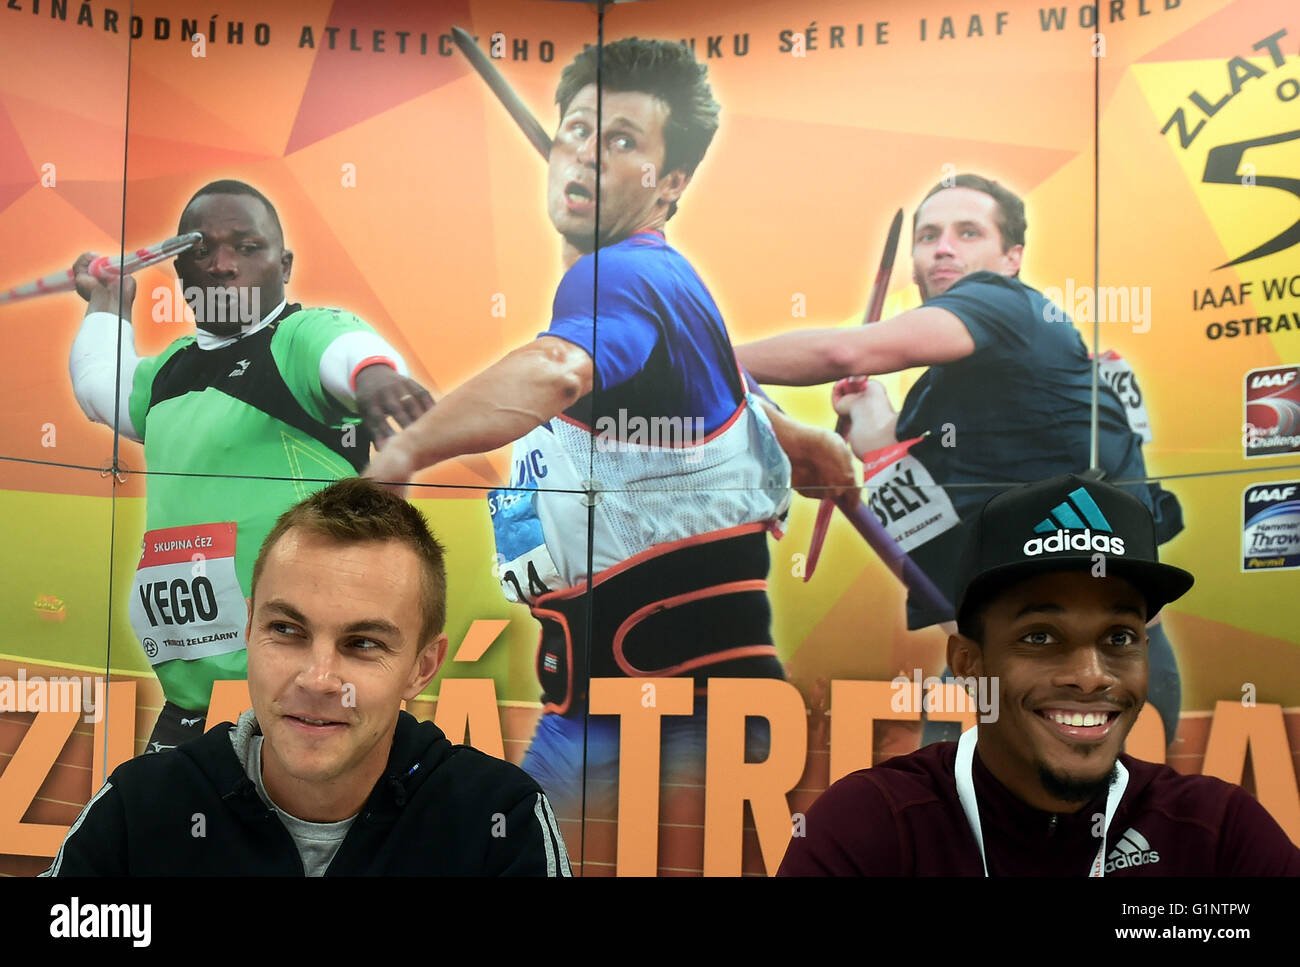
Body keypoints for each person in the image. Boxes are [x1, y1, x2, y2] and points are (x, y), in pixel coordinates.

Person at [365, 38, 856, 815]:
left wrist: (404, 450)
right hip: (605, 712)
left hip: (680, 720)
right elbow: (705, 394)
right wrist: (791, 436)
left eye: (623, 141)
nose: (588, 155)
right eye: (578, 131)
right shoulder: (660, 285)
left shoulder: (622, 277)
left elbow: (558, 370)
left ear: (670, 185)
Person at [735, 173, 1184, 746]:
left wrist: (701, 354)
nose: (943, 246)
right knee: (947, 829)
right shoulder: (938, 392)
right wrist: (878, 437)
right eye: (928, 236)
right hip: (990, 661)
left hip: (1088, 667)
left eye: (967, 232)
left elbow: (841, 351)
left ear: (1011, 257)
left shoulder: (1007, 306)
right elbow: (931, 527)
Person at [39, 478, 570, 876]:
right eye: (288, 630)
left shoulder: (501, 822)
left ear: (422, 667)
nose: (318, 679)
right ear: (248, 628)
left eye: (363, 644)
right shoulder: (138, 810)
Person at [68, 180, 435, 753]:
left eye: (246, 246)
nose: (221, 265)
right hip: (190, 707)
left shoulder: (296, 338)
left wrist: (376, 377)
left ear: (282, 263)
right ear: (181, 271)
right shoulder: (169, 372)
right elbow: (99, 385)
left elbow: (344, 348)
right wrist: (108, 302)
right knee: (166, 841)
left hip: (293, 704)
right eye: (201, 251)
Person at [778, 473, 1300, 876]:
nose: (1091, 677)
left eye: (1119, 637)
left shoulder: (1216, 833)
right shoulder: (871, 825)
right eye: (1041, 637)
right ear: (967, 663)